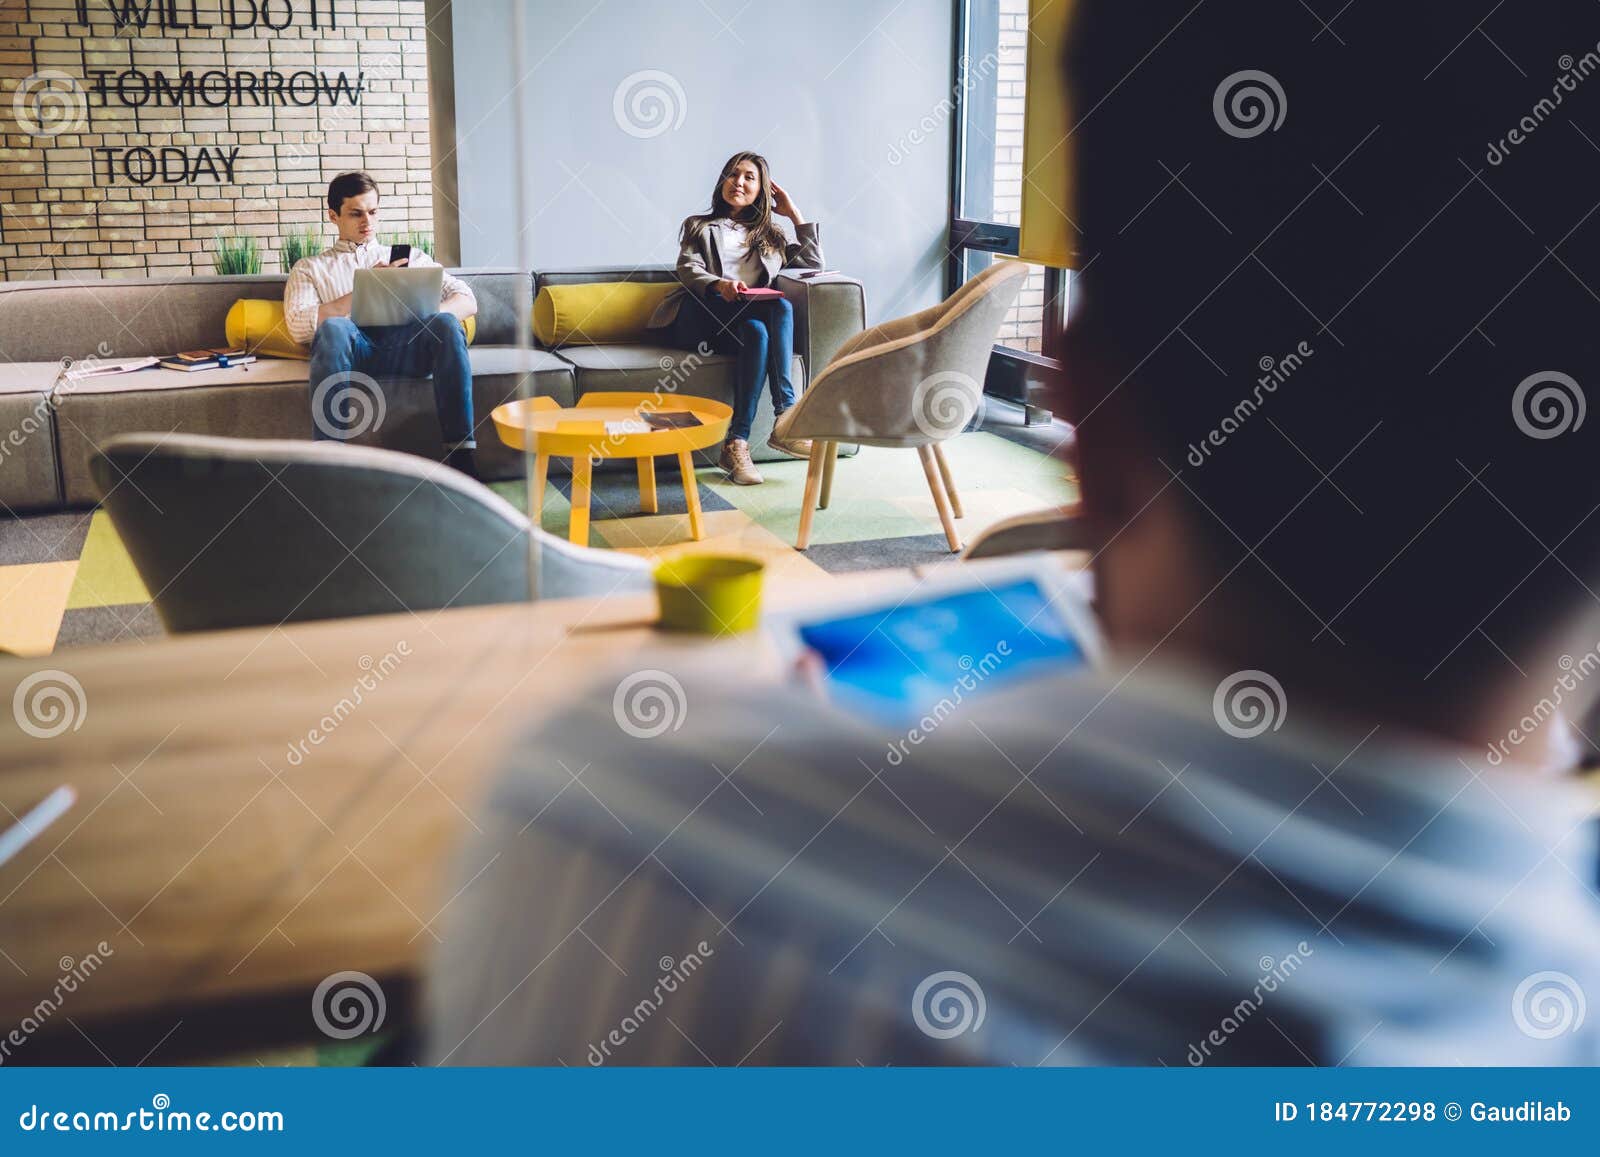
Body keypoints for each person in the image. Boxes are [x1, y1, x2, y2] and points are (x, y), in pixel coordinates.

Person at [423, 0, 1600, 1066]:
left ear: (1085, 411)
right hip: (723, 314)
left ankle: (752, 424)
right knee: (757, 319)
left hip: (772, 371)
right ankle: (758, 418)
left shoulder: (604, 826)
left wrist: (779, 222)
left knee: (776, 316)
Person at [284, 171, 481, 478]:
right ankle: (328, 463)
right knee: (335, 327)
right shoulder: (310, 268)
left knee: (444, 322)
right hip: (354, 353)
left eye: (373, 212)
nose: (368, 222)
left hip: (410, 348)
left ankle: (463, 457)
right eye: (356, 214)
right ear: (333, 216)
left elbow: (467, 299)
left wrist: (429, 313)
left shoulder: (409, 258)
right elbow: (298, 326)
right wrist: (366, 286)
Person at [648, 151, 822, 484]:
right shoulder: (698, 225)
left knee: (758, 330)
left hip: (743, 325)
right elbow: (688, 268)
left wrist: (794, 213)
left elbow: (813, 266)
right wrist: (720, 285)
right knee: (779, 308)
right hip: (702, 316)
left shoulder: (771, 235)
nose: (738, 182)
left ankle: (736, 442)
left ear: (763, 191)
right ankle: (788, 415)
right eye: (732, 174)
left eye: (748, 177)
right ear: (722, 181)